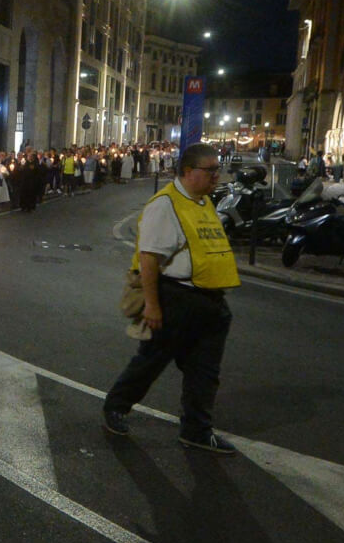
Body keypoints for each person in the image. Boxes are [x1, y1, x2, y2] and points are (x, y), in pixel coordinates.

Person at [102, 143, 240, 454]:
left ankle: (197, 430)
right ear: (189, 172)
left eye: (217, 170)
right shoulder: (165, 204)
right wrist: (152, 305)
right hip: (177, 297)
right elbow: (149, 259)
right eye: (211, 171)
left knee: (205, 371)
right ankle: (116, 406)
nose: (217, 177)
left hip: (211, 301)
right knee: (152, 360)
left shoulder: (202, 202)